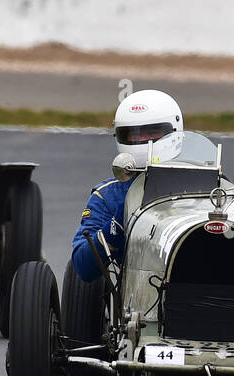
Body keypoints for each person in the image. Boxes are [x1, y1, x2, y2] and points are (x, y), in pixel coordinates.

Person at [72, 88, 184, 282]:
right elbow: (83, 268)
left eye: (151, 132)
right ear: (119, 136)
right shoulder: (108, 196)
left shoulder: (211, 188)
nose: (141, 139)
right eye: (132, 135)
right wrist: (118, 224)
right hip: (138, 300)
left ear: (173, 131)